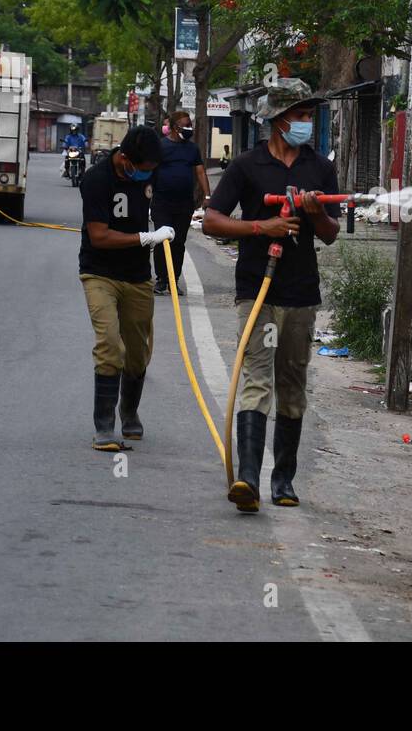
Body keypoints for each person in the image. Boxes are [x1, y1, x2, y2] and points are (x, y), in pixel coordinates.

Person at [202, 77, 339, 512]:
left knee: (292, 386)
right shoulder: (246, 166)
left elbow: (332, 234)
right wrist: (263, 227)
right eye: (300, 115)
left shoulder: (320, 167)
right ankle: (247, 479)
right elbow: (211, 221)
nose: (307, 122)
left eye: (309, 115)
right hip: (257, 289)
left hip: (301, 294)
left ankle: (283, 480)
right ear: (278, 121)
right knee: (257, 381)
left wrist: (316, 214)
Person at [79, 125, 173, 452]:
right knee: (109, 343)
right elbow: (99, 236)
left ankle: (129, 411)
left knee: (137, 353)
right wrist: (144, 238)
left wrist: (167, 227)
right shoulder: (96, 180)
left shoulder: (148, 176)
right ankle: (104, 427)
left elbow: (159, 204)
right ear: (125, 159)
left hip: (137, 277)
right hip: (99, 273)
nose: (147, 175)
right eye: (143, 169)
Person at [152, 110, 210, 296]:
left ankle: (173, 280)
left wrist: (207, 196)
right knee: (163, 241)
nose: (189, 128)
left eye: (190, 124)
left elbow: (200, 172)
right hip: (162, 202)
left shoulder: (192, 149)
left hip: (184, 203)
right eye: (186, 125)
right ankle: (161, 279)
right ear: (175, 127)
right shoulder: (160, 147)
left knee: (178, 243)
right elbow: (150, 170)